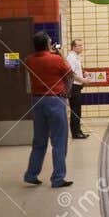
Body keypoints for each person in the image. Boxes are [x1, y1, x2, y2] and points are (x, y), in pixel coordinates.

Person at [23, 32, 73, 189]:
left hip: (37, 101)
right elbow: (69, 74)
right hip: (55, 100)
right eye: (50, 42)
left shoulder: (29, 60)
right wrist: (59, 55)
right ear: (47, 44)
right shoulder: (56, 59)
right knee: (59, 141)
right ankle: (58, 178)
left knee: (39, 141)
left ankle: (31, 175)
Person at [66, 38, 89, 139]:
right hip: (73, 87)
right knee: (75, 110)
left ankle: (78, 131)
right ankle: (75, 133)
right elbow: (70, 73)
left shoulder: (76, 57)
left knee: (77, 110)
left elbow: (76, 69)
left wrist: (84, 72)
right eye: (79, 45)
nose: (81, 47)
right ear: (73, 47)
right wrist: (83, 80)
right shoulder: (71, 57)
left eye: (81, 45)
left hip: (76, 86)